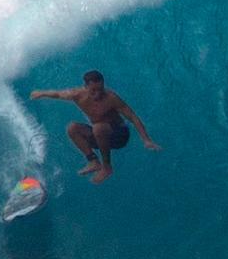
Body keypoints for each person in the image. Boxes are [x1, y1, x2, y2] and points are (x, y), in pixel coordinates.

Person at [29, 69, 162, 183]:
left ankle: (107, 167)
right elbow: (58, 94)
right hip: (99, 135)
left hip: (119, 135)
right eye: (93, 91)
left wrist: (146, 139)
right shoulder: (77, 94)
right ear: (85, 87)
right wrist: (41, 93)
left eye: (100, 89)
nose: (97, 94)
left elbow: (132, 116)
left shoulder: (111, 98)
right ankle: (93, 161)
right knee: (72, 127)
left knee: (98, 127)